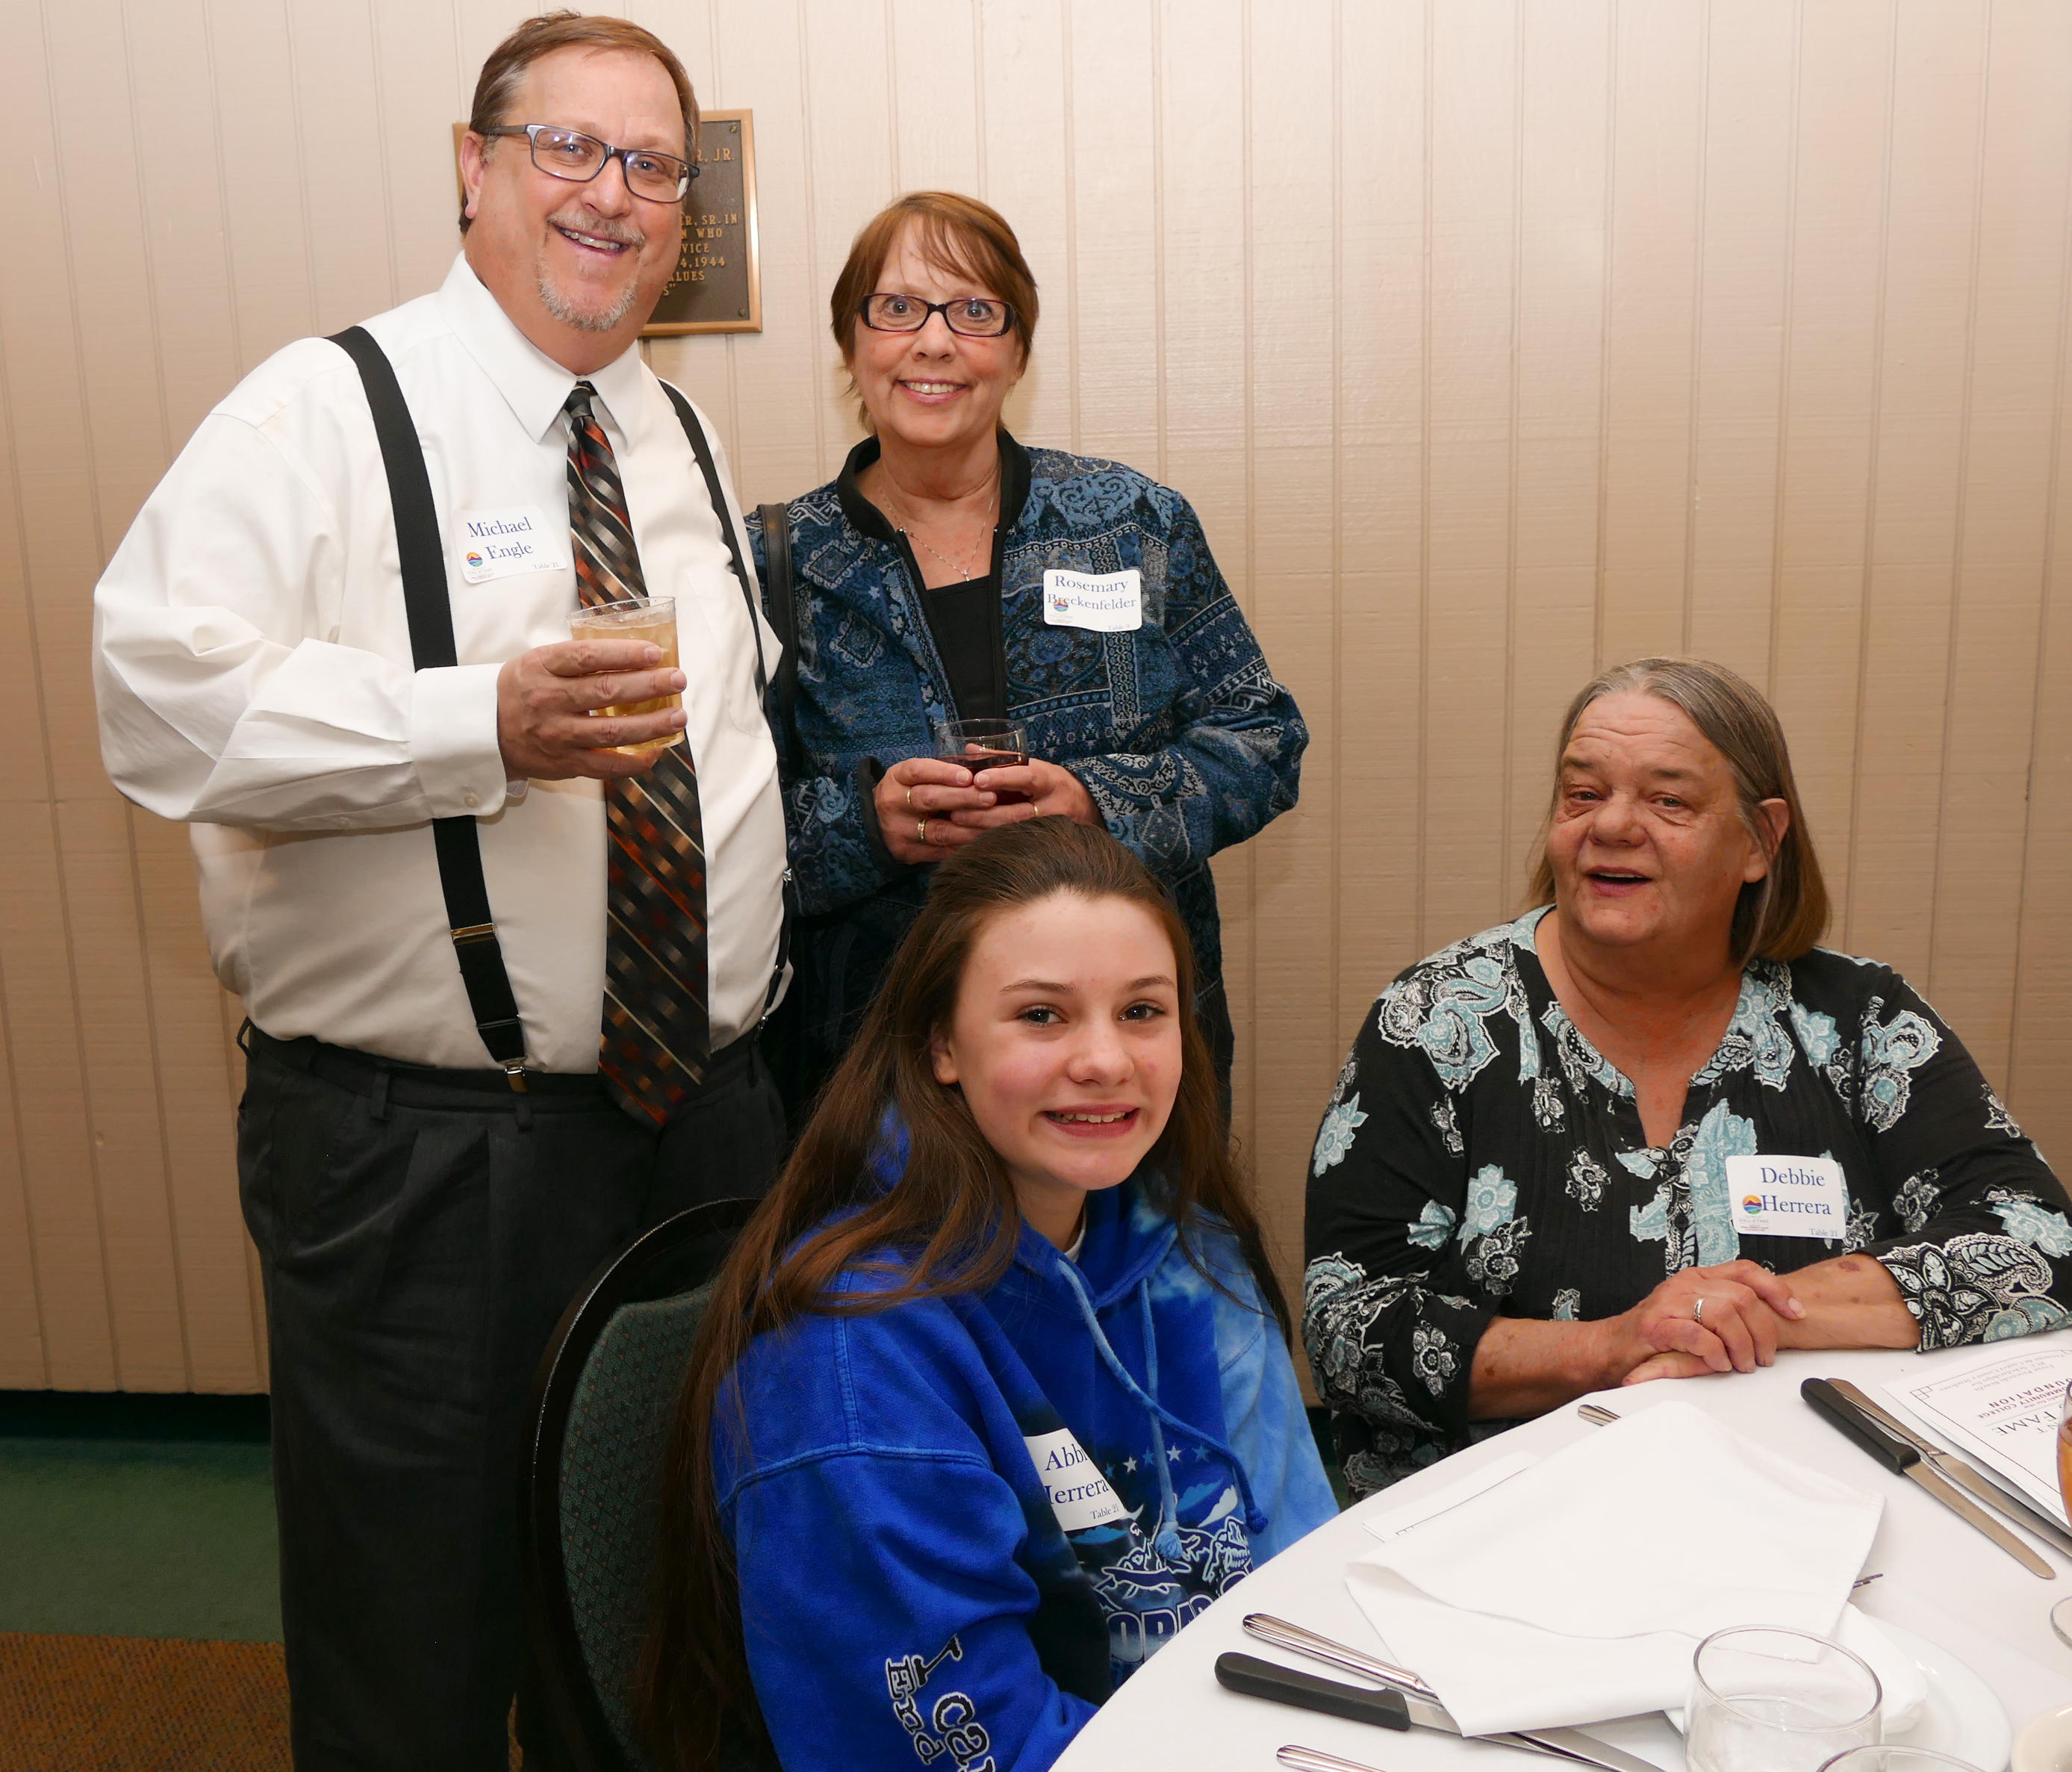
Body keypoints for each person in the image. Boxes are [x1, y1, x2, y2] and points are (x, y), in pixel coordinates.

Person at [92, 13, 787, 1768]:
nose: (611, 195)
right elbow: (153, 697)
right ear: (472, 166)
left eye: (652, 165)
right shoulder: (319, 410)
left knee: (657, 1630)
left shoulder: (679, 434)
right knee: (413, 1650)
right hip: (433, 1166)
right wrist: (470, 726)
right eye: (568, 147)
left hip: (698, 1129)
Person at [640, 818, 1337, 1772]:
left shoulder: (1189, 1253)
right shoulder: (849, 1358)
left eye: (1142, 1010)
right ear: (941, 1044)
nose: (1106, 1060)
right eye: (1042, 1016)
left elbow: (1302, 1580)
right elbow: (976, 1746)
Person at [1304, 656, 2072, 1497]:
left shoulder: (1859, 1021)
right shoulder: (1441, 1022)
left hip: (1804, 1499)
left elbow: (2038, 1243)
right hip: (1505, 1509)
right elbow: (1349, 1328)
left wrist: (1738, 1317)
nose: (1612, 825)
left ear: (1759, 841)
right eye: (1582, 793)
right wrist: (1612, 1345)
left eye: (1667, 801)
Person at [747, 191, 1305, 1120]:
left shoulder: (1133, 522)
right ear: (851, 343)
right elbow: (728, 832)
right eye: (898, 308)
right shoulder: (777, 565)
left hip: (1117, 1056)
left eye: (975, 311)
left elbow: (1264, 740)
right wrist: (867, 826)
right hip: (882, 1068)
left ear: (1016, 350)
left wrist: (1096, 803)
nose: (935, 342)